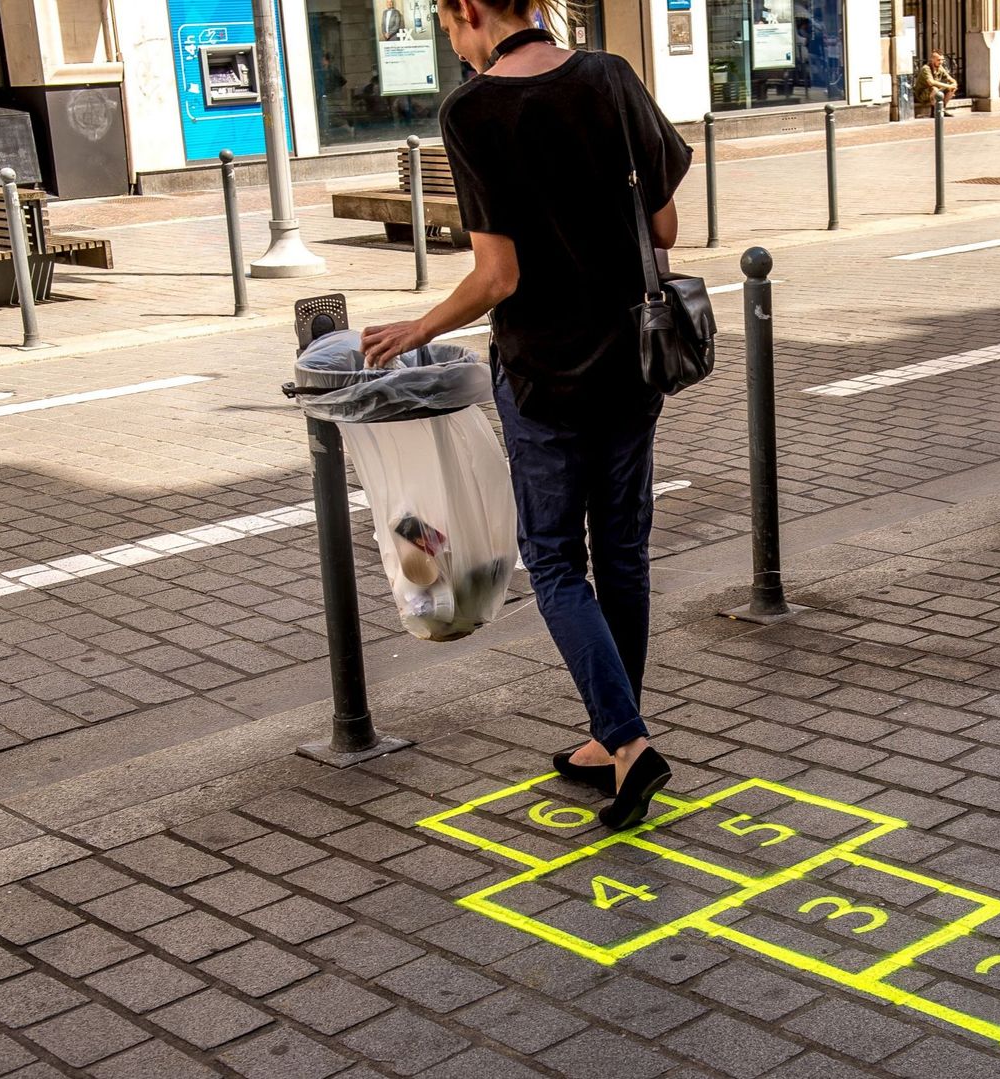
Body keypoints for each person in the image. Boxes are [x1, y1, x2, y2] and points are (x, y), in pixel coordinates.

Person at [356, 0, 685, 830]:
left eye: (445, 23)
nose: (451, 41)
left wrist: (418, 328)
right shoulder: (610, 76)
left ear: (469, 11)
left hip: (544, 373)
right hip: (633, 358)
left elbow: (498, 276)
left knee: (555, 560)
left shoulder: (473, 110)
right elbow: (666, 224)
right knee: (623, 551)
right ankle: (613, 733)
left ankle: (628, 741)